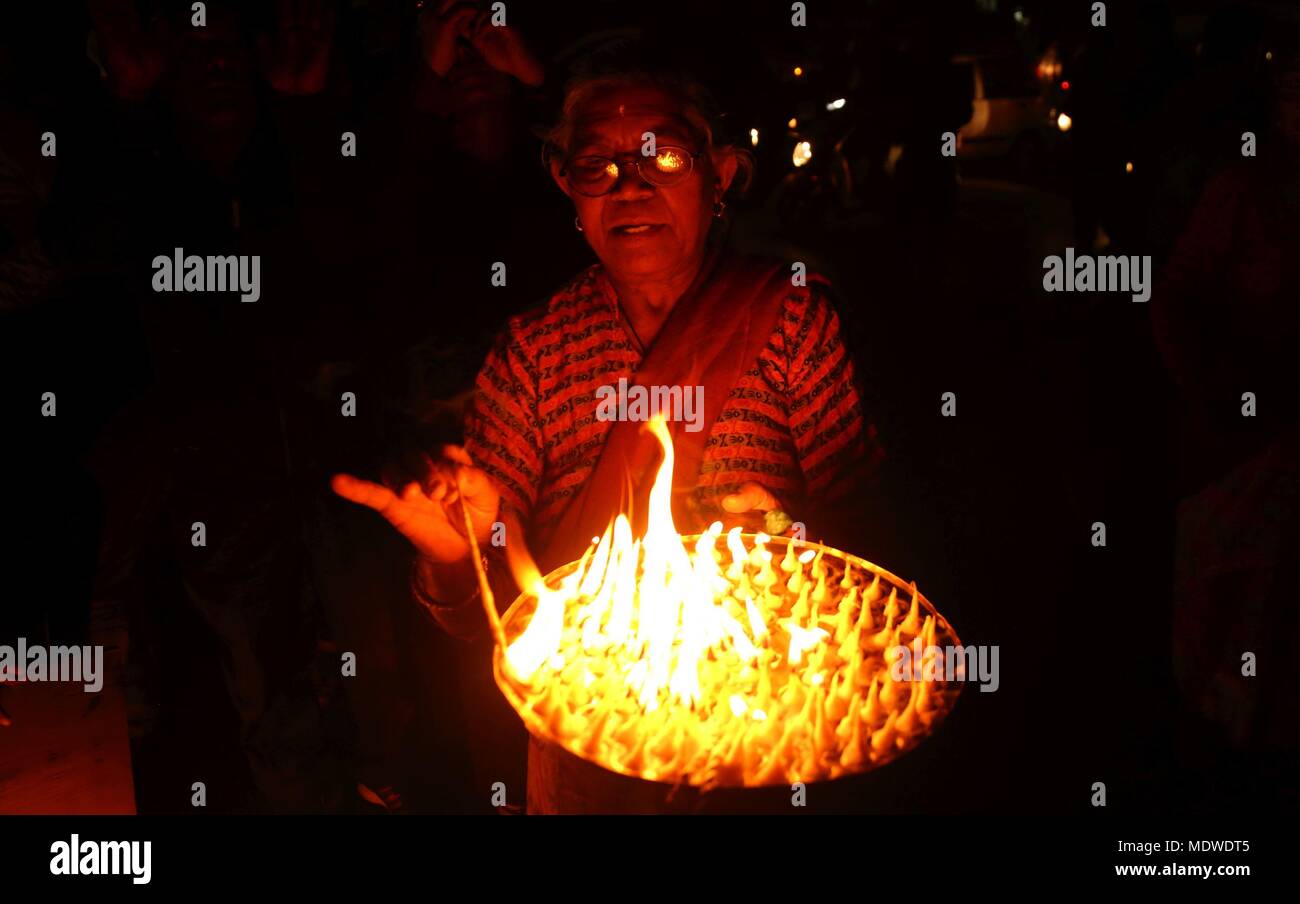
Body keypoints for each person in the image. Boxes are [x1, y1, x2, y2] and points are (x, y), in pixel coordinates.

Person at [332, 51, 884, 810]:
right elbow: (493, 616)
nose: (631, 187)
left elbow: (869, 554)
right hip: (591, 752)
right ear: (565, 183)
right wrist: (460, 553)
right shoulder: (531, 352)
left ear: (720, 174)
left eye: (663, 153)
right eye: (597, 164)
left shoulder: (790, 320)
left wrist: (788, 535)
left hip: (766, 746)